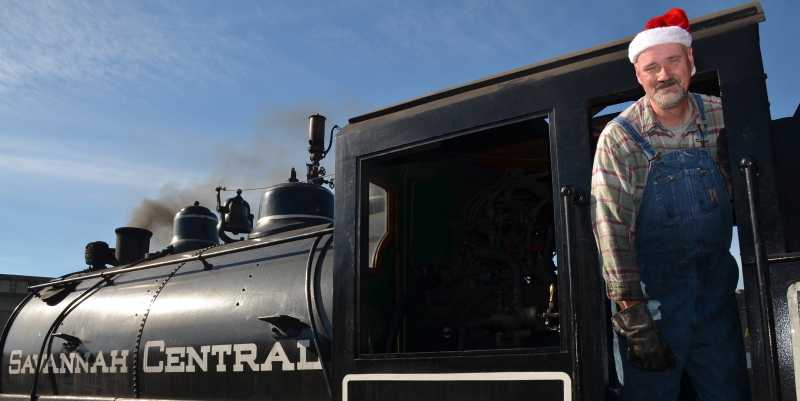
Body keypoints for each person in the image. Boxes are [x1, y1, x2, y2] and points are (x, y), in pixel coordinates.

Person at [590, 8, 749, 401]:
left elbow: (749, 199)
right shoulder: (620, 137)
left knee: (726, 391)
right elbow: (609, 226)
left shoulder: (724, 115)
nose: (663, 75)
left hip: (716, 293)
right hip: (654, 301)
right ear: (638, 75)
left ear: (690, 62)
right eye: (652, 67)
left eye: (673, 61)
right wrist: (631, 311)